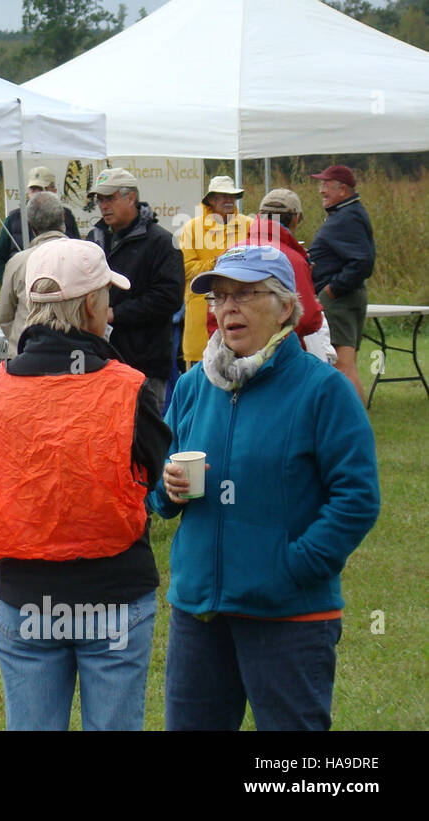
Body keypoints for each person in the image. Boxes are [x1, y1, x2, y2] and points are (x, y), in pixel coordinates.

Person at [153, 244, 380, 731]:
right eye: (218, 297)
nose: (226, 308)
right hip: (199, 611)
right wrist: (167, 486)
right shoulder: (195, 384)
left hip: (287, 615)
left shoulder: (323, 390)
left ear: (284, 306)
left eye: (243, 294)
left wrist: (294, 565)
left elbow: (357, 498)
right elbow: (154, 473)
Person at [0, 238, 169, 731]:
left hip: (27, 600)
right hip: (114, 596)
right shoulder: (128, 388)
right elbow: (165, 478)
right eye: (106, 298)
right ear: (89, 307)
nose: (111, 310)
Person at [85, 167, 184, 414]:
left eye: (110, 198)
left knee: (143, 440)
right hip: (100, 360)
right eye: (100, 199)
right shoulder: (93, 239)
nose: (103, 205)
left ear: (131, 198)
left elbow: (169, 298)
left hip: (144, 363)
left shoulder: (162, 242)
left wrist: (115, 314)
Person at [308, 165, 374, 398]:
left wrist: (331, 290)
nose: (321, 190)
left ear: (343, 189)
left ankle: (355, 427)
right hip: (348, 296)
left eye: (326, 185)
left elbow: (363, 262)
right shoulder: (348, 213)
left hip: (341, 300)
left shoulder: (346, 217)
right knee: (346, 365)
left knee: (343, 367)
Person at [178, 176, 254, 369]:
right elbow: (185, 268)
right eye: (222, 196)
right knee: (198, 380)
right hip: (201, 316)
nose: (229, 200)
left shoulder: (250, 225)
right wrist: (218, 264)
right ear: (210, 200)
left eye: (232, 196)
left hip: (243, 311)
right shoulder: (191, 228)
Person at [238, 188, 324, 352]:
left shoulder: (232, 252)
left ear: (259, 216)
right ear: (296, 219)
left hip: (234, 356)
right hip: (283, 357)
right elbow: (308, 320)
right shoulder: (294, 259)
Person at [0, 191, 68, 351]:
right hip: (72, 357)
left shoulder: (17, 262)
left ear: (31, 225)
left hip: (24, 354)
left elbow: (6, 318)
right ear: (63, 218)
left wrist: (20, 342)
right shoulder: (83, 257)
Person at [0, 166, 81, 284]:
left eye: (42, 189)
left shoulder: (67, 216)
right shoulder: (13, 219)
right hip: (24, 292)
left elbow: (78, 254)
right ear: (28, 192)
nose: (37, 194)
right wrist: (8, 286)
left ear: (54, 191)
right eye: (33, 190)